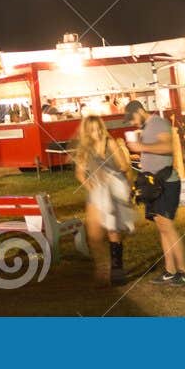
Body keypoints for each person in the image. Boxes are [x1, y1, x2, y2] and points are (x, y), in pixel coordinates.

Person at [124, 100, 185, 285]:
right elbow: (154, 151)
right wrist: (139, 154)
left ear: (139, 111)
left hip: (167, 182)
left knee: (167, 226)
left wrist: (141, 148)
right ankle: (170, 270)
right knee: (161, 227)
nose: (132, 122)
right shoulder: (146, 128)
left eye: (132, 118)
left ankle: (183, 272)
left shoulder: (159, 123)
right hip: (153, 184)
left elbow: (167, 148)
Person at [75, 114, 134, 283]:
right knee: (94, 236)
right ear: (87, 132)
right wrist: (91, 186)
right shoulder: (84, 150)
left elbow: (124, 166)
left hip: (114, 192)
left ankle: (116, 271)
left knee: (113, 231)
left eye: (99, 128)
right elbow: (79, 174)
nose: (97, 132)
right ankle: (102, 267)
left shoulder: (111, 143)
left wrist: (118, 177)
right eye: (93, 129)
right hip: (96, 195)